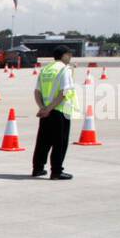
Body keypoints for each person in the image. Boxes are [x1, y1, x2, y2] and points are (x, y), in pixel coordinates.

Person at [32, 45, 76, 180]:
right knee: (59, 143)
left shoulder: (45, 69)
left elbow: (37, 91)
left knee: (43, 141)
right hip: (60, 111)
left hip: (45, 112)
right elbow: (64, 92)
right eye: (69, 55)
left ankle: (38, 169)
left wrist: (43, 108)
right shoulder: (64, 69)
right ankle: (56, 171)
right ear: (64, 55)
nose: (70, 57)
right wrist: (50, 108)